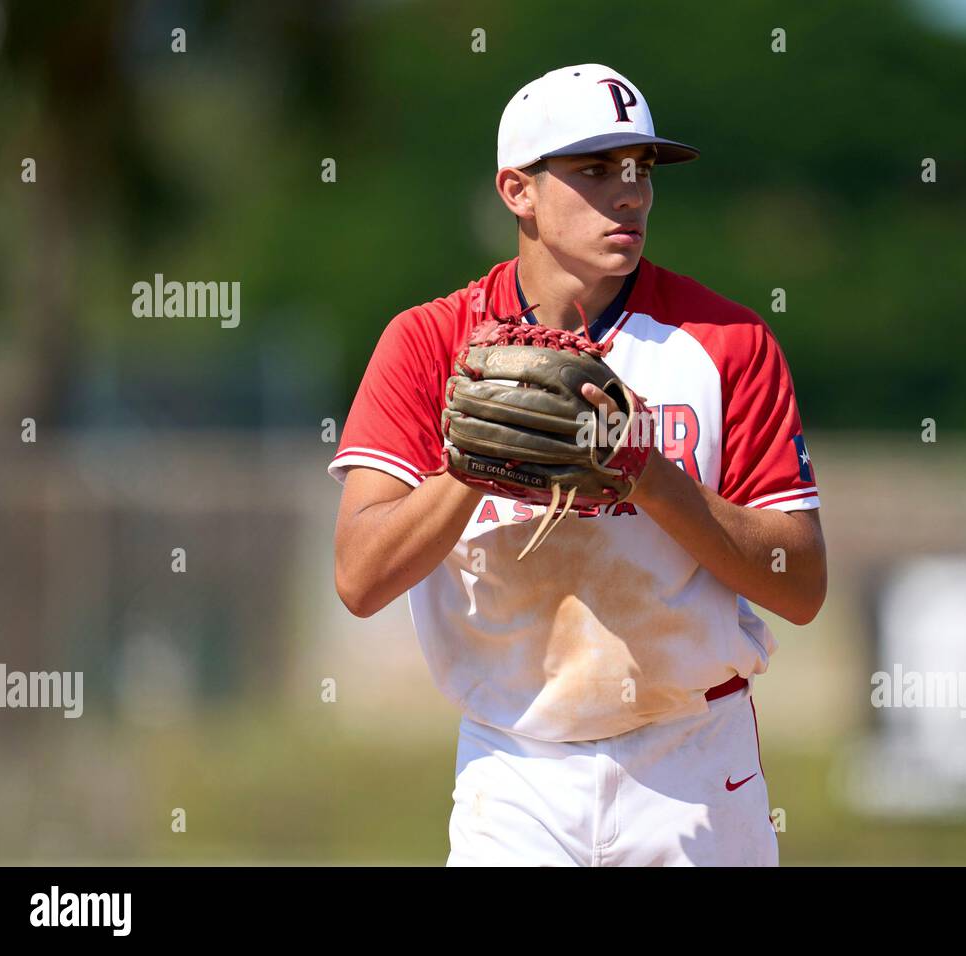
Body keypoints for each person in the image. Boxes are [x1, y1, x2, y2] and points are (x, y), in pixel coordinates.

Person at [329, 63, 826, 866]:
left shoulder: (726, 341)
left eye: (641, 170)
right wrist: (473, 467)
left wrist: (649, 475)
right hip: (514, 772)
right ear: (517, 190)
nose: (629, 194)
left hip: (694, 760)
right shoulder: (429, 343)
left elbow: (800, 586)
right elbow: (360, 576)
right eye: (594, 170)